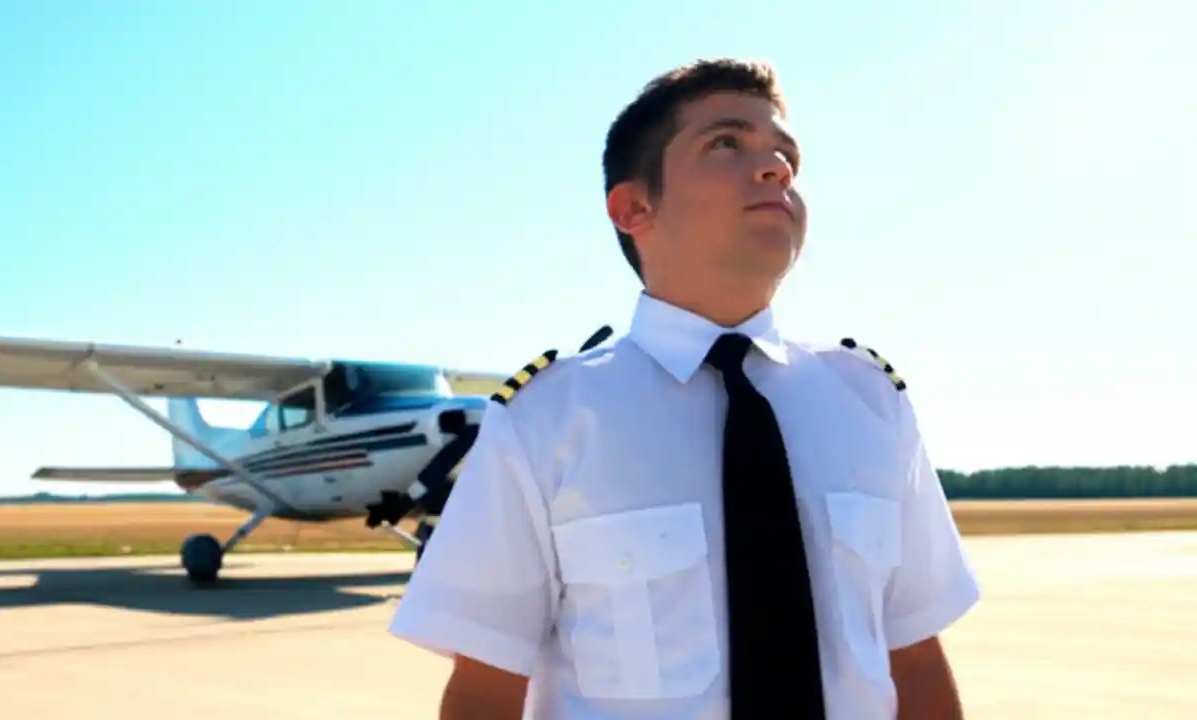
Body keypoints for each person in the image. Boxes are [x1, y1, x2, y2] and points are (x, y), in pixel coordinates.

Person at [388, 57, 980, 719]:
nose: (776, 168)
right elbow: (484, 689)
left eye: (786, 155)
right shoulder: (547, 420)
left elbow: (917, 662)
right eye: (726, 143)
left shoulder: (871, 402)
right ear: (635, 205)